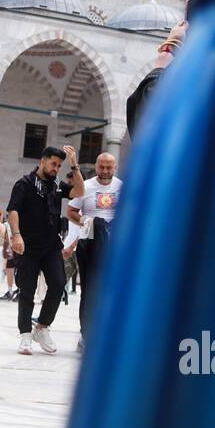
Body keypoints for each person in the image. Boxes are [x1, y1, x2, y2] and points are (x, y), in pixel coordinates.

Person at [7, 146, 69, 355]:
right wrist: (17, 235)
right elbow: (13, 210)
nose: (56, 168)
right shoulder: (24, 184)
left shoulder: (58, 185)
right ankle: (25, 335)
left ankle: (41, 327)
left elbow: (79, 192)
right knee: (27, 291)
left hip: (51, 246)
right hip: (28, 246)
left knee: (59, 284)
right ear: (42, 161)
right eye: (53, 164)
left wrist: (76, 165)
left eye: (60, 166)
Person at [65, 147, 121, 350]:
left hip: (113, 244)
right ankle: (86, 335)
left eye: (109, 167)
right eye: (102, 167)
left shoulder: (122, 188)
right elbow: (71, 211)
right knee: (89, 290)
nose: (105, 171)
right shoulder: (85, 186)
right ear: (96, 167)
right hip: (89, 240)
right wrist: (85, 221)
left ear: (115, 167)